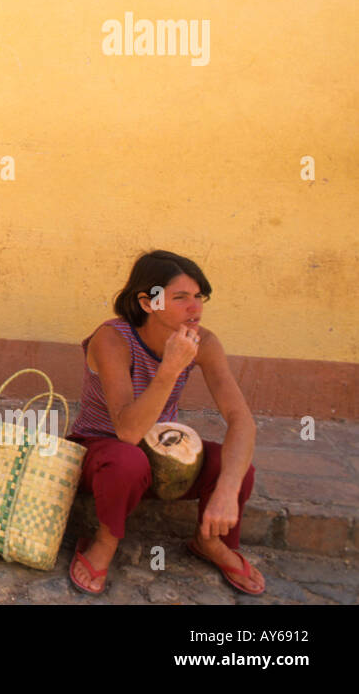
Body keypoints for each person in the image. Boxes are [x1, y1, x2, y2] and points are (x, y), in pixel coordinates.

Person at [67, 250, 264, 594]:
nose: (195, 308)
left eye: (199, 297)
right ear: (148, 302)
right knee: (128, 460)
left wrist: (228, 491)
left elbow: (241, 421)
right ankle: (103, 542)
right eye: (180, 298)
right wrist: (169, 370)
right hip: (102, 453)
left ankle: (212, 542)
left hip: (164, 456)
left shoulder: (205, 342)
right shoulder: (112, 339)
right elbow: (127, 432)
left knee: (235, 466)